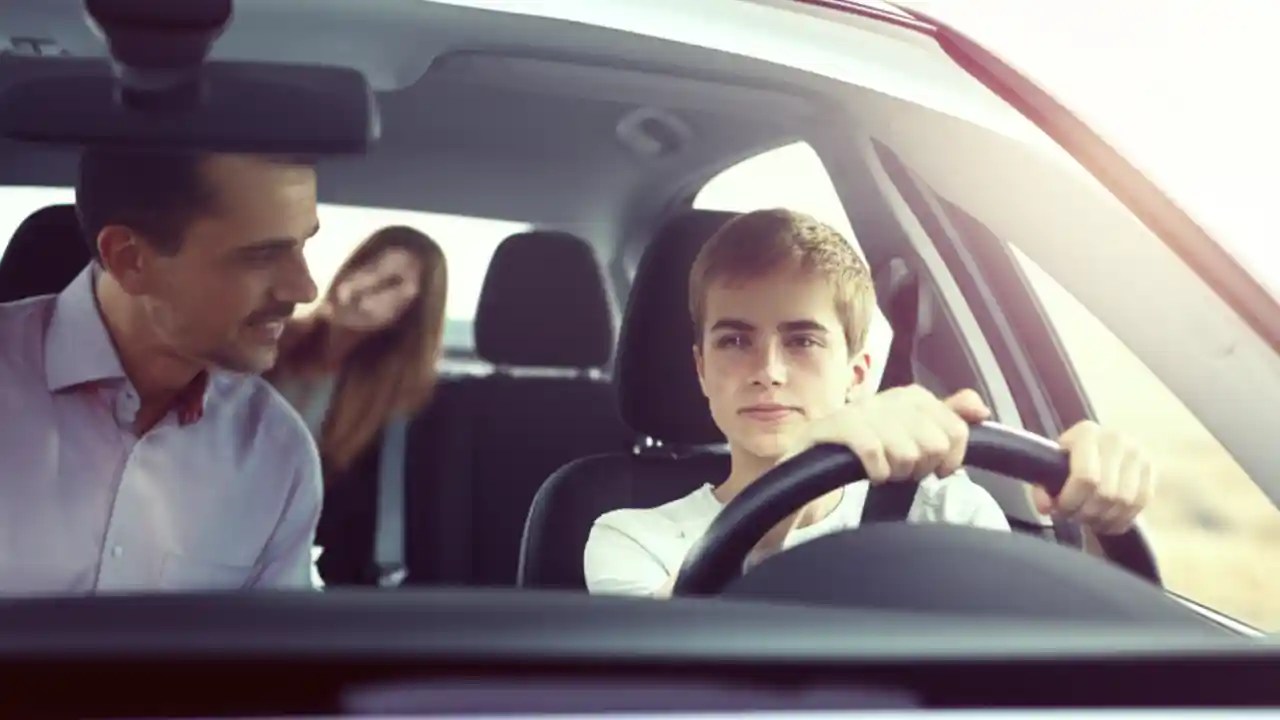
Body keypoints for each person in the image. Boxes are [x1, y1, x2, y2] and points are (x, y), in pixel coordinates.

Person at [585, 208, 1157, 597]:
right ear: (701, 370)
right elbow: (656, 680)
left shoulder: (940, 511)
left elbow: (1042, 665)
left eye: (802, 341)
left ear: (857, 375)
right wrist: (785, 487)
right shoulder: (632, 537)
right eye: (735, 341)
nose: (769, 372)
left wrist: (1101, 519)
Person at [0, 149, 324, 594]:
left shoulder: (277, 451)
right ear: (130, 260)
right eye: (261, 255)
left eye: (303, 245)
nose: (305, 289)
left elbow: (272, 638)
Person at [266, 226, 447, 584]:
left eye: (391, 282)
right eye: (366, 265)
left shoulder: (401, 405)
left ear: (413, 310)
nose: (363, 286)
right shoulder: (267, 342)